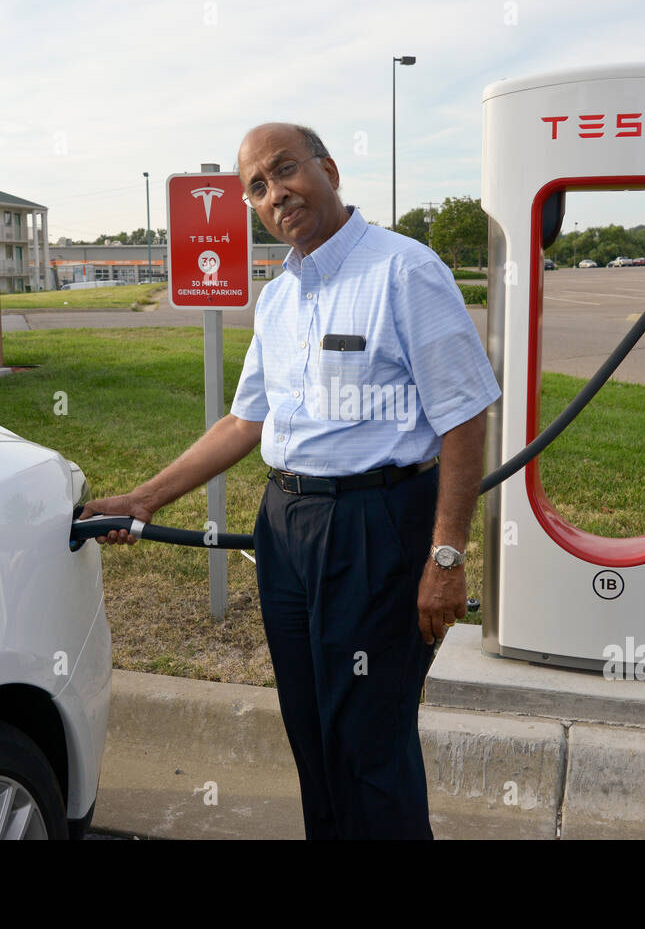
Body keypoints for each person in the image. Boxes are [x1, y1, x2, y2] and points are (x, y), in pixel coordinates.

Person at [80, 122, 500, 839]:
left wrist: (447, 555)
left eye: (285, 171)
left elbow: (464, 417)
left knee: (370, 743)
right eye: (258, 187)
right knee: (313, 736)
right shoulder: (277, 299)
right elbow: (245, 421)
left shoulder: (403, 269)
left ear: (329, 169)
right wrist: (145, 497)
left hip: (378, 527)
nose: (276, 194)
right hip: (288, 529)